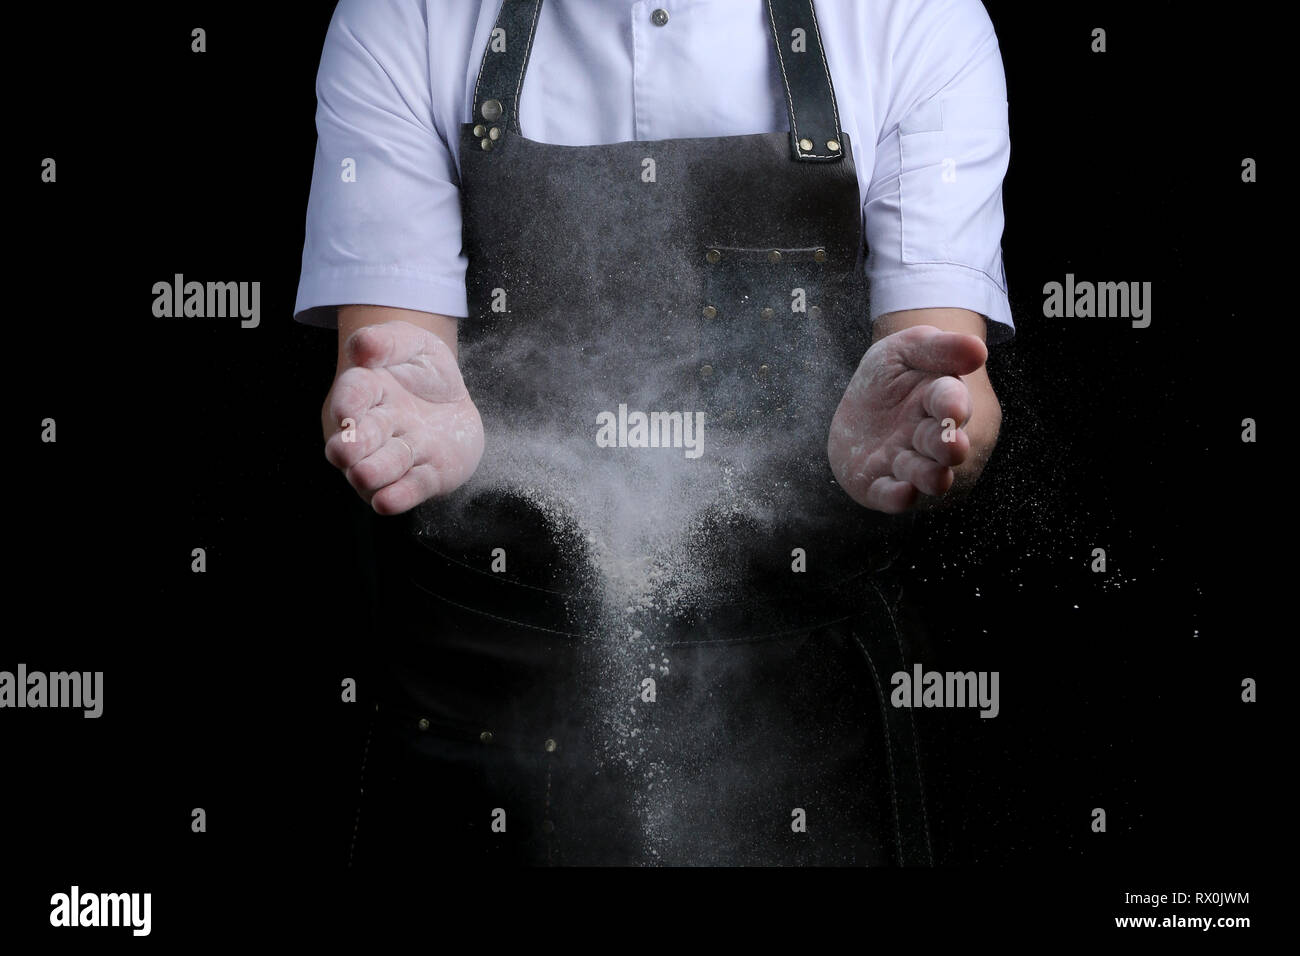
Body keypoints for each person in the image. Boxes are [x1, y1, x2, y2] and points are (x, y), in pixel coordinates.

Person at [295, 0, 1012, 866]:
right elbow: (395, 344)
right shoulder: (405, 14)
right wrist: (402, 403)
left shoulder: (913, 18)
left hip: (805, 706)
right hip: (482, 710)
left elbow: (950, 368)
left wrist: (935, 419)